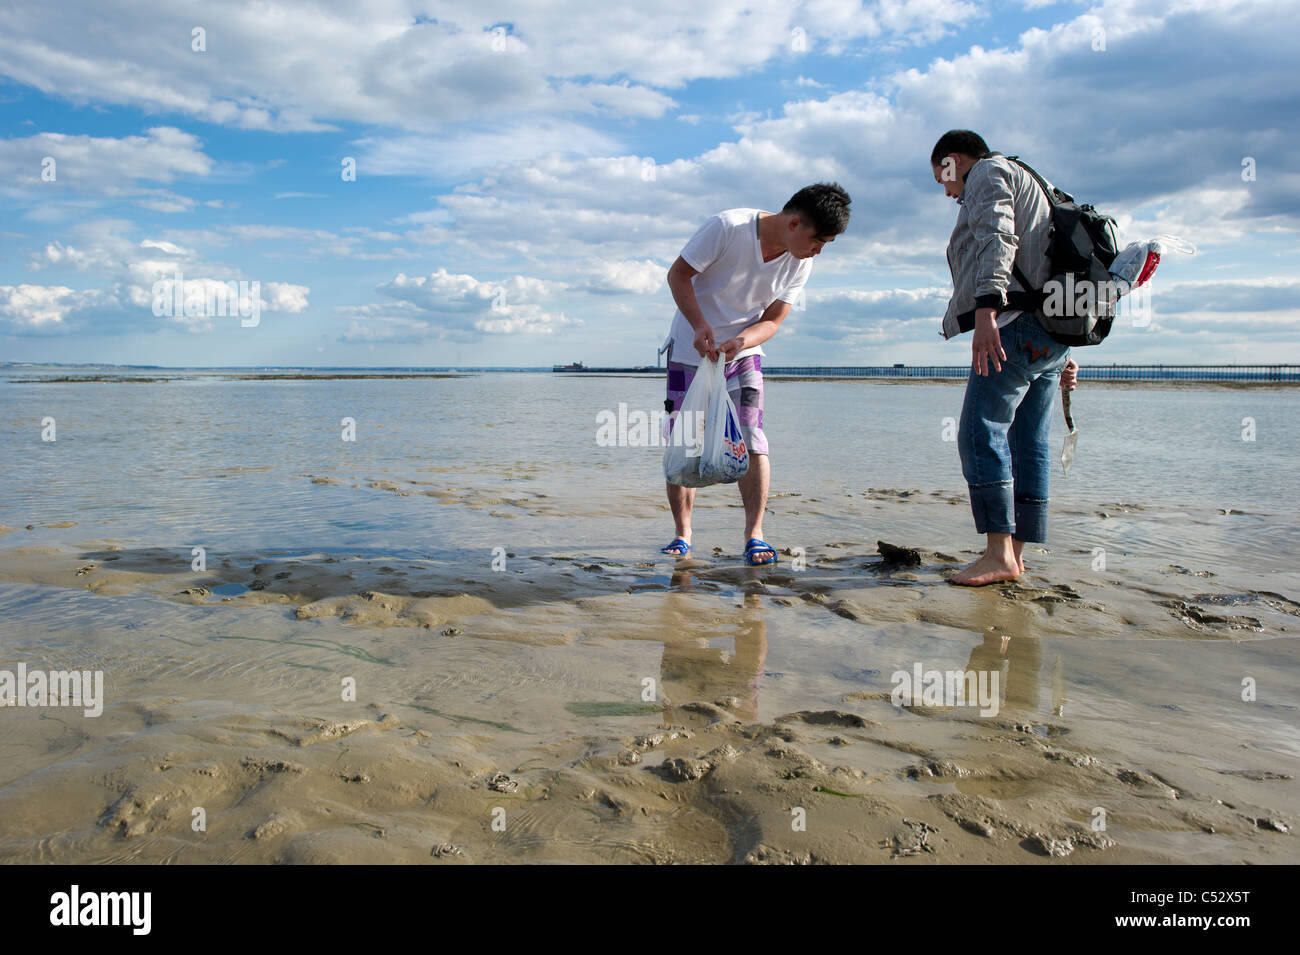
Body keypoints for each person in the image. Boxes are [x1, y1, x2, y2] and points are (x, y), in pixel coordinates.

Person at [660, 183, 851, 565]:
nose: (819, 251)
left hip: (742, 354)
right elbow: (677, 276)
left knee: (751, 437)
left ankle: (754, 535)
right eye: (819, 241)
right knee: (683, 443)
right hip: (687, 350)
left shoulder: (801, 263)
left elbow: (774, 320)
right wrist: (700, 326)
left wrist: (741, 341)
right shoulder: (727, 228)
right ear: (795, 223)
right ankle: (683, 534)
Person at [930, 129, 1078, 585]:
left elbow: (998, 236)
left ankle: (997, 555)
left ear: (954, 160)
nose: (949, 192)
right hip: (1052, 329)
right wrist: (1062, 347)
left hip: (1015, 324)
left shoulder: (988, 172)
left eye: (944, 179)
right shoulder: (1034, 178)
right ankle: (1014, 554)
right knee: (1029, 442)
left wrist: (986, 311)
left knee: (979, 432)